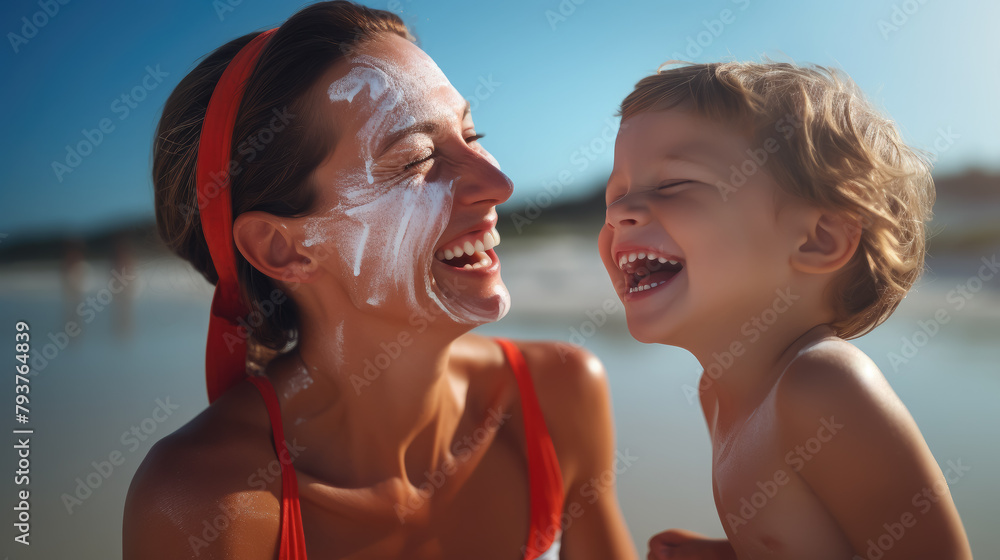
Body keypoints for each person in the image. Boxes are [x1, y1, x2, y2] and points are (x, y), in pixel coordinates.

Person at [123, 3, 636, 559]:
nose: (498, 181)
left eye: (471, 132)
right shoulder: (205, 505)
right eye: (418, 158)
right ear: (284, 248)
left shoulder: (560, 395)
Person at [597, 61, 972, 559]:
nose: (619, 212)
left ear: (818, 240)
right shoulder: (719, 392)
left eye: (673, 184)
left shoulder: (823, 386)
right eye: (617, 193)